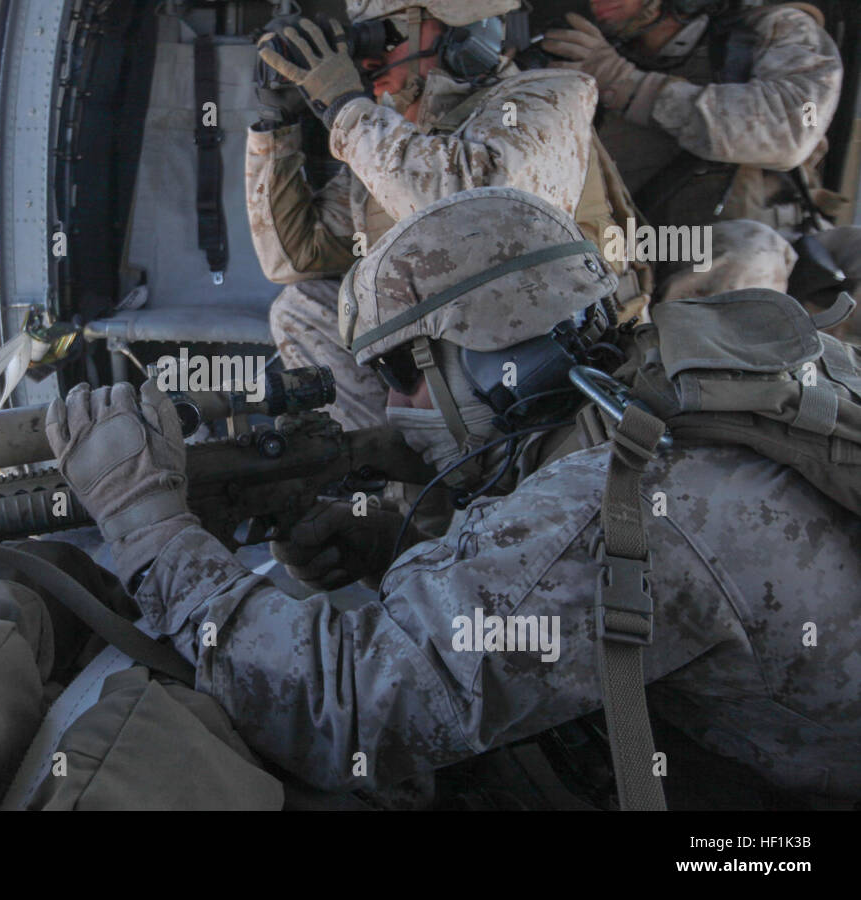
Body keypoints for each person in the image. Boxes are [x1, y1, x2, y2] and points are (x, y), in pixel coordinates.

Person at [45, 187, 861, 809]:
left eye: (403, 374)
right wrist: (398, 542)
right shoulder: (691, 379)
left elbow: (350, 711)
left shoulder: (618, 499)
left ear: (498, 363)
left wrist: (144, 517)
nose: (395, 407)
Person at [246, 0, 623, 430]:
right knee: (305, 306)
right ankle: (380, 482)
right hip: (442, 365)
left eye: (385, 36)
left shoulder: (549, 98)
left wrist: (344, 108)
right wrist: (275, 123)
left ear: (461, 30)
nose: (365, 62)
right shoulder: (394, 136)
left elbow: (474, 213)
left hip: (550, 363)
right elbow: (294, 259)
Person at [544, 0, 861, 326]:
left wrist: (632, 87)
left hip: (787, 245)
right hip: (646, 251)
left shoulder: (768, 33)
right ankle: (713, 383)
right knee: (746, 253)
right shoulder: (581, 61)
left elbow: (790, 132)